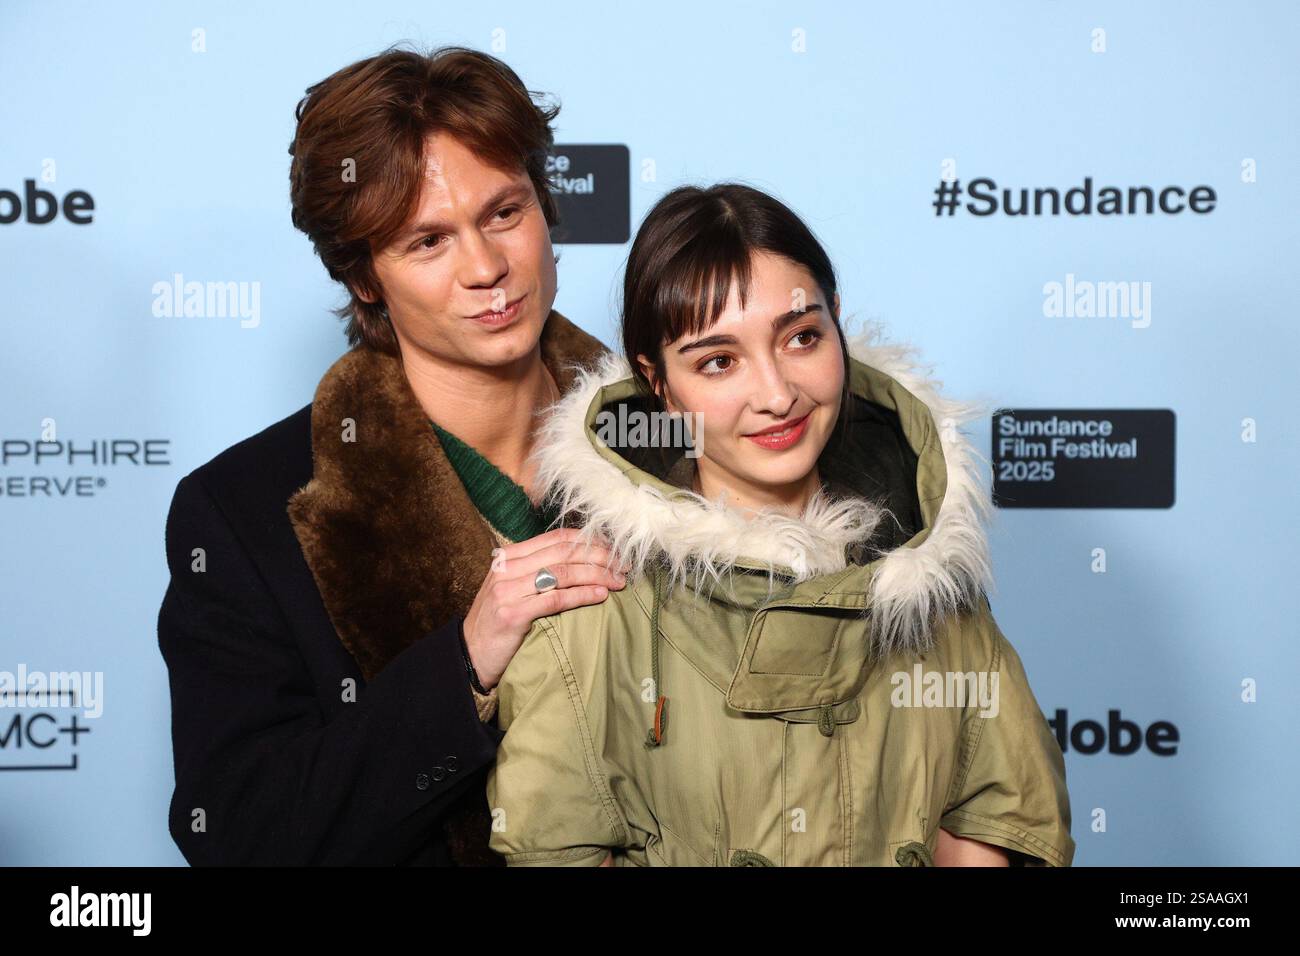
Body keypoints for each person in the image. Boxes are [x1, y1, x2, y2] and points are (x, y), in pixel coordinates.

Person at [485, 183, 1075, 866]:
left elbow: (990, 824)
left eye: (801, 338)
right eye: (718, 361)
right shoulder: (596, 611)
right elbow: (552, 846)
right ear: (661, 388)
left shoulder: (932, 582)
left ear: (837, 324)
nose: (776, 394)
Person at [156, 45, 627, 866]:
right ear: (365, 278)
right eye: (427, 242)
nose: (486, 269)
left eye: (504, 213)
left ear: (548, 212)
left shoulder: (679, 441)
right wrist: (464, 664)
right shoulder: (242, 513)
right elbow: (239, 832)